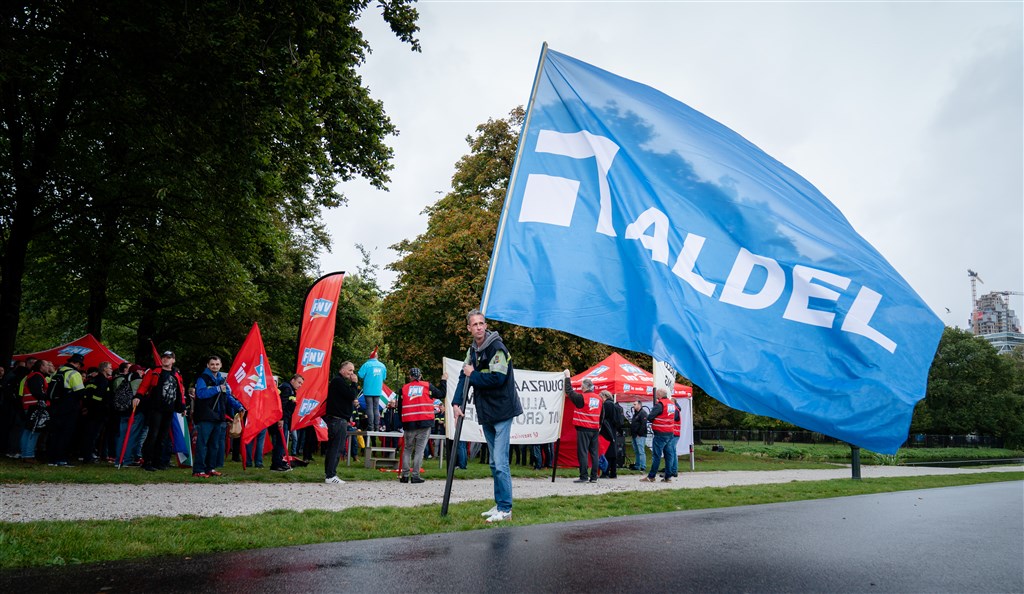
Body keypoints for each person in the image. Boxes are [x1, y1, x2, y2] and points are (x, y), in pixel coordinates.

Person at [453, 309, 522, 523]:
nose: (479, 327)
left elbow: (497, 379)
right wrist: (456, 403)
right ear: (469, 328)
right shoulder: (472, 351)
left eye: (481, 323)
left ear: (486, 325)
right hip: (487, 411)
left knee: (500, 462)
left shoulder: (497, 347)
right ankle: (499, 504)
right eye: (474, 324)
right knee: (493, 462)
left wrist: (473, 374)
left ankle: (506, 509)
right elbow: (463, 376)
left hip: (502, 410)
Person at [133, 351, 186, 472]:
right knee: (153, 434)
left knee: (163, 436)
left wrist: (182, 407)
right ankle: (147, 461)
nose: (166, 359)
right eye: (164, 357)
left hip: (169, 409)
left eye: (169, 357)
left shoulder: (176, 374)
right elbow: (144, 385)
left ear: (173, 360)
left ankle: (158, 461)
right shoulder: (154, 371)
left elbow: (180, 391)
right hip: (156, 408)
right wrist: (138, 396)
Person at [193, 356, 244, 478]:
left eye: (217, 364)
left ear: (220, 366)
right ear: (208, 365)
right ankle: (198, 470)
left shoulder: (222, 380)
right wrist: (216, 389)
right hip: (205, 416)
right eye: (212, 364)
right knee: (202, 444)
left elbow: (228, 396)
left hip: (219, 416)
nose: (214, 366)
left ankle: (210, 468)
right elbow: (200, 393)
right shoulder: (203, 378)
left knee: (214, 445)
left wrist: (239, 406)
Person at [397, 368, 443, 483]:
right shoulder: (427, 386)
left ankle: (405, 475)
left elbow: (399, 408)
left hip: (409, 422)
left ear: (410, 376)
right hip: (424, 421)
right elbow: (442, 394)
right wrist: (444, 381)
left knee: (407, 449)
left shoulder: (403, 389)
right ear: (420, 376)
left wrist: (402, 422)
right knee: (419, 450)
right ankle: (415, 475)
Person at [47, 353, 86, 467]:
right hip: (69, 407)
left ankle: (51, 459)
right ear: (77, 363)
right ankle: (61, 459)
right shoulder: (74, 373)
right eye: (80, 365)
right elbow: (80, 392)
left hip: (55, 406)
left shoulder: (57, 371)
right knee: (66, 433)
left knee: (55, 433)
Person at [563, 373, 602, 484]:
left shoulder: (582, 398)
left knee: (583, 452)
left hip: (584, 428)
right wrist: (599, 426)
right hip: (595, 428)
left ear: (584, 387)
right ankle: (594, 477)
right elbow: (602, 414)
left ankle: (584, 476)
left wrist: (567, 377)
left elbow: (569, 391)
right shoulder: (599, 398)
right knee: (594, 453)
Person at [324, 361, 358, 484]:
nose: (352, 373)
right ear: (342, 370)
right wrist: (354, 383)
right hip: (338, 420)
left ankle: (329, 473)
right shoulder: (338, 381)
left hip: (337, 419)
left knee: (333, 447)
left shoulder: (338, 382)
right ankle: (331, 475)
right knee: (336, 447)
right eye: (350, 370)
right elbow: (351, 395)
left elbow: (347, 397)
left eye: (353, 371)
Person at [640, 388, 679, 483]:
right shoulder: (671, 404)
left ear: (660, 395)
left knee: (657, 455)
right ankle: (668, 477)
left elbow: (650, 417)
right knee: (669, 455)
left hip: (660, 433)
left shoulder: (660, 404)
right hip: (670, 432)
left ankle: (651, 476)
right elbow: (675, 417)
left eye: (657, 394)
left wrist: (654, 420)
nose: (656, 395)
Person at [19, 359, 53, 461]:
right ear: (41, 366)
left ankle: (25, 454)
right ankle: (28, 455)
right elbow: (38, 392)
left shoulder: (33, 375)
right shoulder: (37, 376)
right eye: (46, 365)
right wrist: (48, 397)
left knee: (28, 431)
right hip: (34, 406)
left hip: (29, 406)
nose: (48, 367)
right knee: (34, 431)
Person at [78, 361, 112, 464]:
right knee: (93, 435)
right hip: (98, 412)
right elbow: (98, 397)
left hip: (90, 411)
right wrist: (104, 408)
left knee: (88, 434)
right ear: (104, 369)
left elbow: (86, 395)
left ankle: (86, 455)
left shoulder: (92, 380)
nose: (111, 370)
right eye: (110, 368)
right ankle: (88, 457)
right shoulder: (103, 381)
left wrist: (87, 407)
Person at [271, 373, 303, 471]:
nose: (300, 385)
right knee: (281, 442)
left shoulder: (289, 388)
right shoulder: (287, 388)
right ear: (293, 380)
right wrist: (281, 419)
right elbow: (282, 404)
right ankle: (277, 464)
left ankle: (279, 462)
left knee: (281, 442)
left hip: (283, 418)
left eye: (301, 383)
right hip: (282, 419)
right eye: (299, 382)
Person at [357, 347, 387, 442]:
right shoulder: (382, 366)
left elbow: (360, 375)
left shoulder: (366, 364)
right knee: (376, 408)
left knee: (369, 407)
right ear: (377, 357)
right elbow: (384, 377)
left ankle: (371, 427)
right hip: (378, 390)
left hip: (368, 389)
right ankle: (377, 427)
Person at [599, 390, 619, 478]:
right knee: (613, 452)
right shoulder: (614, 405)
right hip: (612, 429)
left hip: (607, 430)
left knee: (607, 452)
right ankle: (613, 472)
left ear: (604, 396)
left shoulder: (606, 405)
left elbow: (603, 417)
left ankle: (605, 472)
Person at [629, 400, 648, 472]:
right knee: (636, 451)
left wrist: (639, 434)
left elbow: (643, 424)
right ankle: (637, 465)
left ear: (639, 405)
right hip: (634, 435)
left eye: (635, 404)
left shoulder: (643, 413)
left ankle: (643, 466)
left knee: (641, 451)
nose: (633, 406)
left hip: (640, 435)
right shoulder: (636, 413)